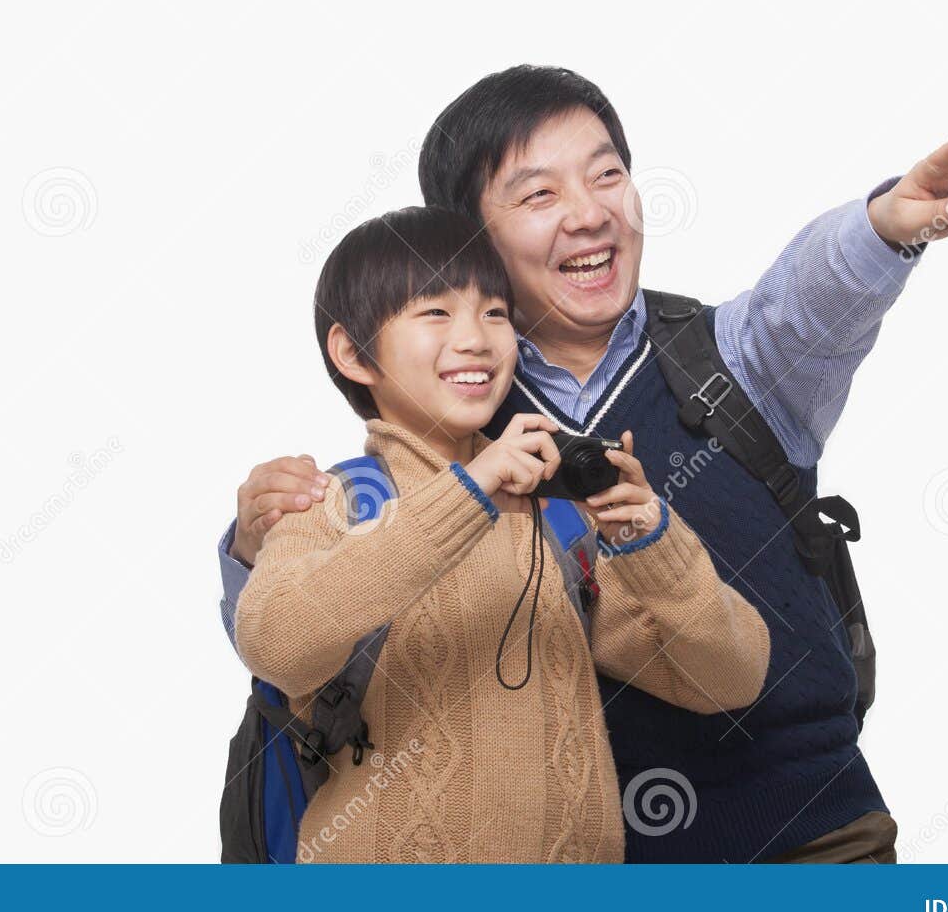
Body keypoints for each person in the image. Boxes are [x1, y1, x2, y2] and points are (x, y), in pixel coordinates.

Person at [222, 65, 948, 862]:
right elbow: (308, 628)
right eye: (539, 195)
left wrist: (885, 225)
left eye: (607, 176)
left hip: (815, 839)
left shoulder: (722, 363)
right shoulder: (456, 426)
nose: (589, 215)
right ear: (466, 240)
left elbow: (808, 297)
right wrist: (253, 546)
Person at [232, 204, 769, 863]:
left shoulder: (557, 523)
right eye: (435, 312)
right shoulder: (333, 498)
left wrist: (655, 541)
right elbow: (275, 639)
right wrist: (472, 488)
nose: (478, 338)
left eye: (495, 313)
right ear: (353, 351)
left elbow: (730, 679)